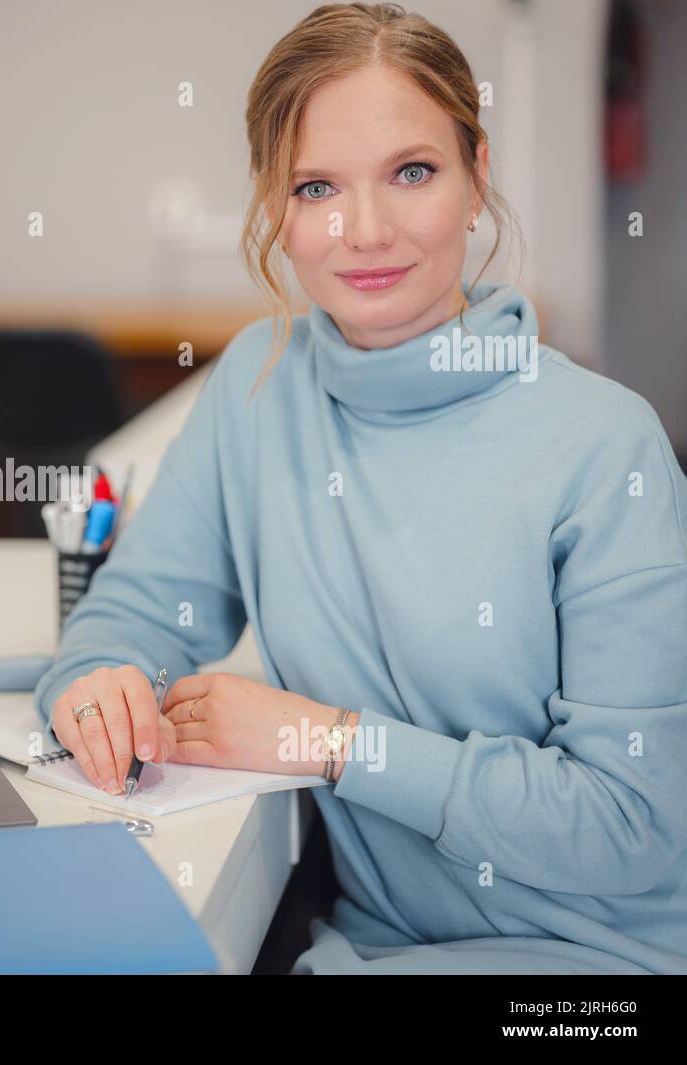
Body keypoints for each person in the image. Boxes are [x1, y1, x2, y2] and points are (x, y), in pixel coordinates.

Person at [35, 2, 687, 974]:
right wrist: (100, 678)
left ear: (477, 181)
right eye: (315, 186)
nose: (365, 229)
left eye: (411, 172)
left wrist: (332, 741)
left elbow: (631, 826)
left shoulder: (603, 444)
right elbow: (141, 606)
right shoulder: (259, 384)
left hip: (596, 970)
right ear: (273, 211)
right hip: (372, 948)